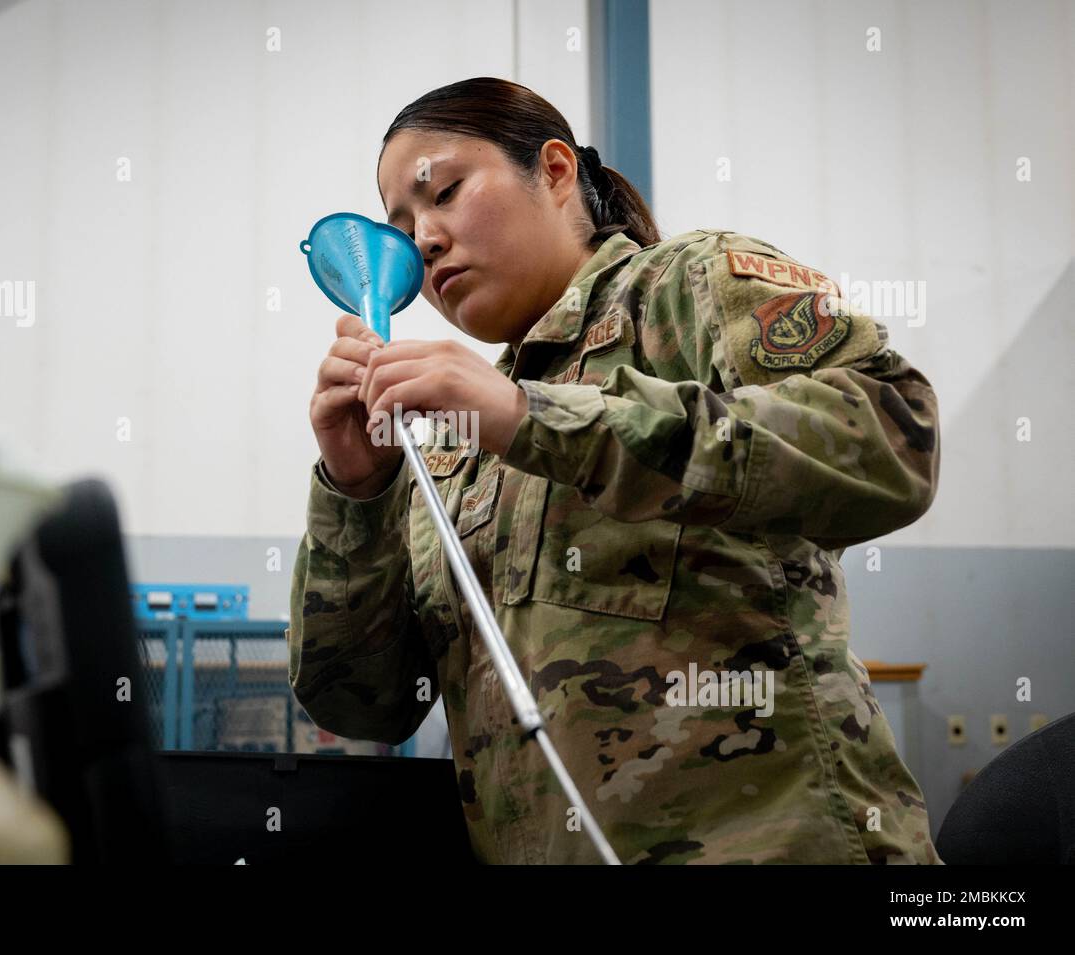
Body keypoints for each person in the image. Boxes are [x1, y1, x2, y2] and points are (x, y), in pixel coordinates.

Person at [287, 76, 942, 864]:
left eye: (447, 192)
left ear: (555, 171)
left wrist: (535, 420)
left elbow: (894, 438)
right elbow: (364, 704)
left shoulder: (692, 287)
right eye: (400, 227)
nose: (424, 240)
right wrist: (359, 492)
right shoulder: (453, 448)